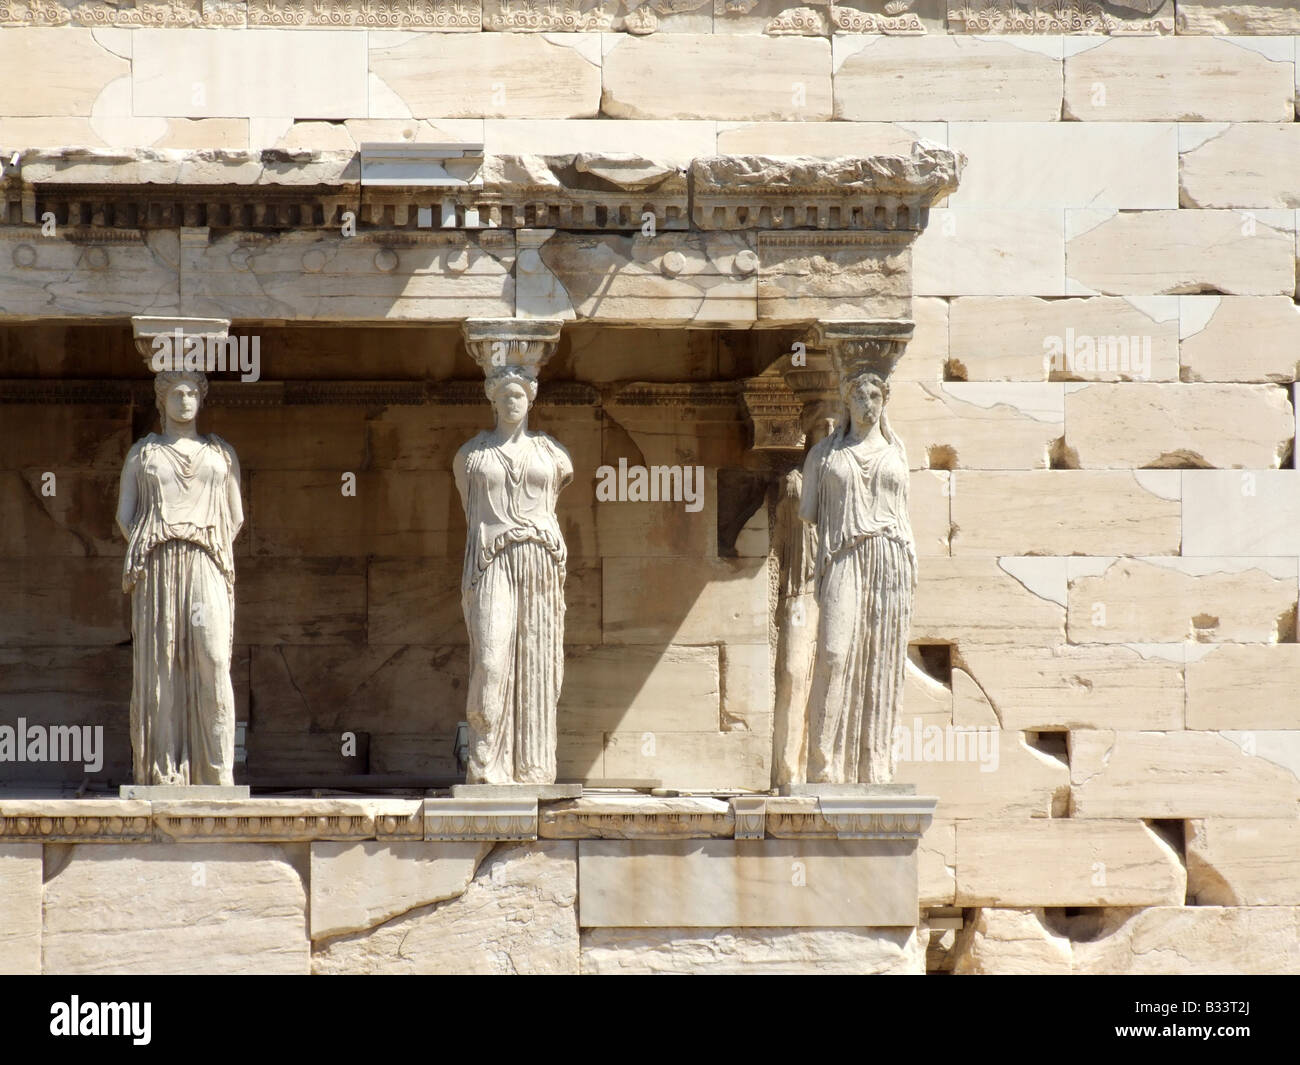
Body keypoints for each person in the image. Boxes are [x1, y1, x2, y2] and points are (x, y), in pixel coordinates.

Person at [115, 370, 243, 786]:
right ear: (161, 399)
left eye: (192, 392)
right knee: (163, 663)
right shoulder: (144, 453)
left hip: (206, 560)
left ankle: (216, 768)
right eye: (176, 392)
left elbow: (235, 516)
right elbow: (124, 515)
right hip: (158, 565)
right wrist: (156, 542)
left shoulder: (221, 454)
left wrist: (199, 540)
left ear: (202, 399)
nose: (185, 399)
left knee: (213, 656)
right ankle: (163, 769)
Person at [453, 368, 572, 785]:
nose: (512, 401)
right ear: (492, 400)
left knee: (537, 662)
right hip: (492, 560)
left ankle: (532, 769)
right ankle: (485, 766)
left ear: (531, 399)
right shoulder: (471, 456)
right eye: (504, 394)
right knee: (490, 659)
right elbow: (472, 515)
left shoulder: (553, 453)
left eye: (519, 394)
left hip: (540, 560)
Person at [799, 369, 916, 784]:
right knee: (834, 651)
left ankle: (873, 766)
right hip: (842, 557)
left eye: (875, 394)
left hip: (890, 558)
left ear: (885, 400)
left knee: (881, 656)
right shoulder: (823, 456)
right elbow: (807, 514)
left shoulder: (897, 455)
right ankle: (821, 761)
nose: (868, 403)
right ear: (845, 402)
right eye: (859, 396)